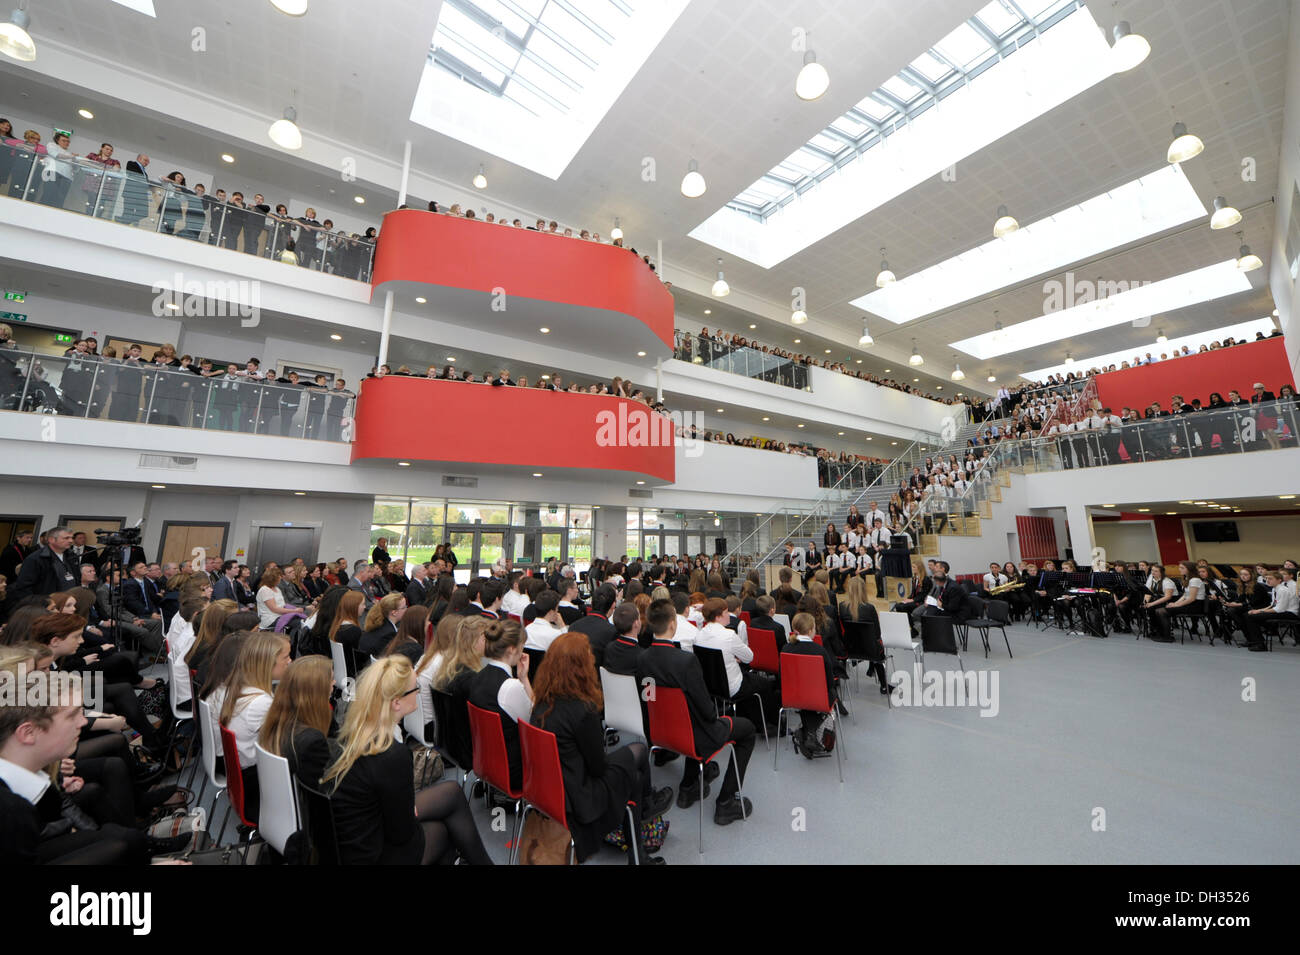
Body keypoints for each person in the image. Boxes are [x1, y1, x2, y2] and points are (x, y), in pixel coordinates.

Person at [322, 656, 493, 864]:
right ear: (396, 702)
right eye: (416, 689)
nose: (420, 694)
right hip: (374, 853)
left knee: (452, 794)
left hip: (352, 843)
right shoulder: (392, 754)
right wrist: (407, 809)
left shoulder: (350, 734)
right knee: (444, 829)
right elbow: (401, 834)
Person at [530, 632, 669, 864]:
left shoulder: (542, 702)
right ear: (581, 667)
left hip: (550, 789)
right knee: (637, 759)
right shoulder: (582, 710)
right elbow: (598, 768)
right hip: (580, 795)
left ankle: (641, 834)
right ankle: (643, 822)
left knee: (633, 763)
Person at [635, 609, 754, 824]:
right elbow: (708, 712)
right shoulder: (686, 662)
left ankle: (688, 786)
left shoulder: (642, 659)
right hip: (692, 735)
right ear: (673, 624)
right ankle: (726, 802)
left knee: (691, 719)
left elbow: (648, 697)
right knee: (747, 730)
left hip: (659, 732)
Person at [208, 631, 290, 821]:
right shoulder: (260, 702)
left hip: (245, 777)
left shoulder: (240, 689)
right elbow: (289, 742)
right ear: (267, 663)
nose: (290, 661)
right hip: (258, 785)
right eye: (285, 657)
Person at [467, 619, 533, 793]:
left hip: (487, 763)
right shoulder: (510, 687)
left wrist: (522, 677)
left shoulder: (477, 677)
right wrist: (524, 680)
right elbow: (534, 722)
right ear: (512, 650)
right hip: (515, 772)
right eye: (522, 646)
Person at [694, 597, 777, 733]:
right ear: (718, 616)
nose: (729, 615)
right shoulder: (729, 635)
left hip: (711, 687)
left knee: (750, 681)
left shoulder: (699, 635)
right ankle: (768, 724)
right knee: (765, 684)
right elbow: (749, 657)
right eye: (726, 612)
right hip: (732, 686)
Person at [782, 612, 841, 759]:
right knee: (831, 694)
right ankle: (811, 732)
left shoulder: (786, 648)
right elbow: (828, 682)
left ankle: (807, 731)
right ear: (810, 631)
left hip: (792, 697)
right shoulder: (820, 651)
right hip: (817, 699)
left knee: (807, 699)